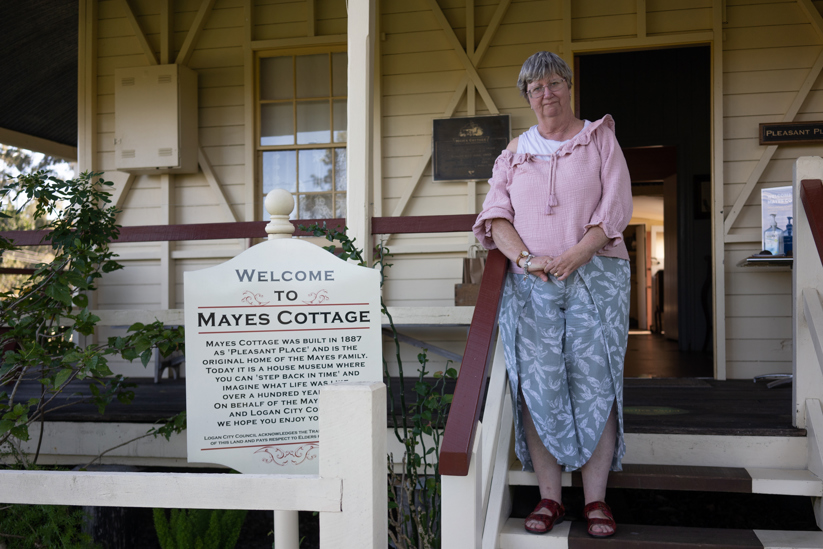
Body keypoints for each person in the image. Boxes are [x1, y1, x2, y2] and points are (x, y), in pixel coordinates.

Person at [472, 51, 632, 538]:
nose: (547, 94)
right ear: (527, 96)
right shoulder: (513, 152)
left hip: (596, 275)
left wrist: (576, 254)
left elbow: (616, 206)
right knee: (538, 388)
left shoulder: (599, 137)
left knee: (595, 381)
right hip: (532, 282)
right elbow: (496, 216)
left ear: (569, 87)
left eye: (555, 83)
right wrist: (526, 259)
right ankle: (548, 498)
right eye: (537, 87)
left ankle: (597, 500)